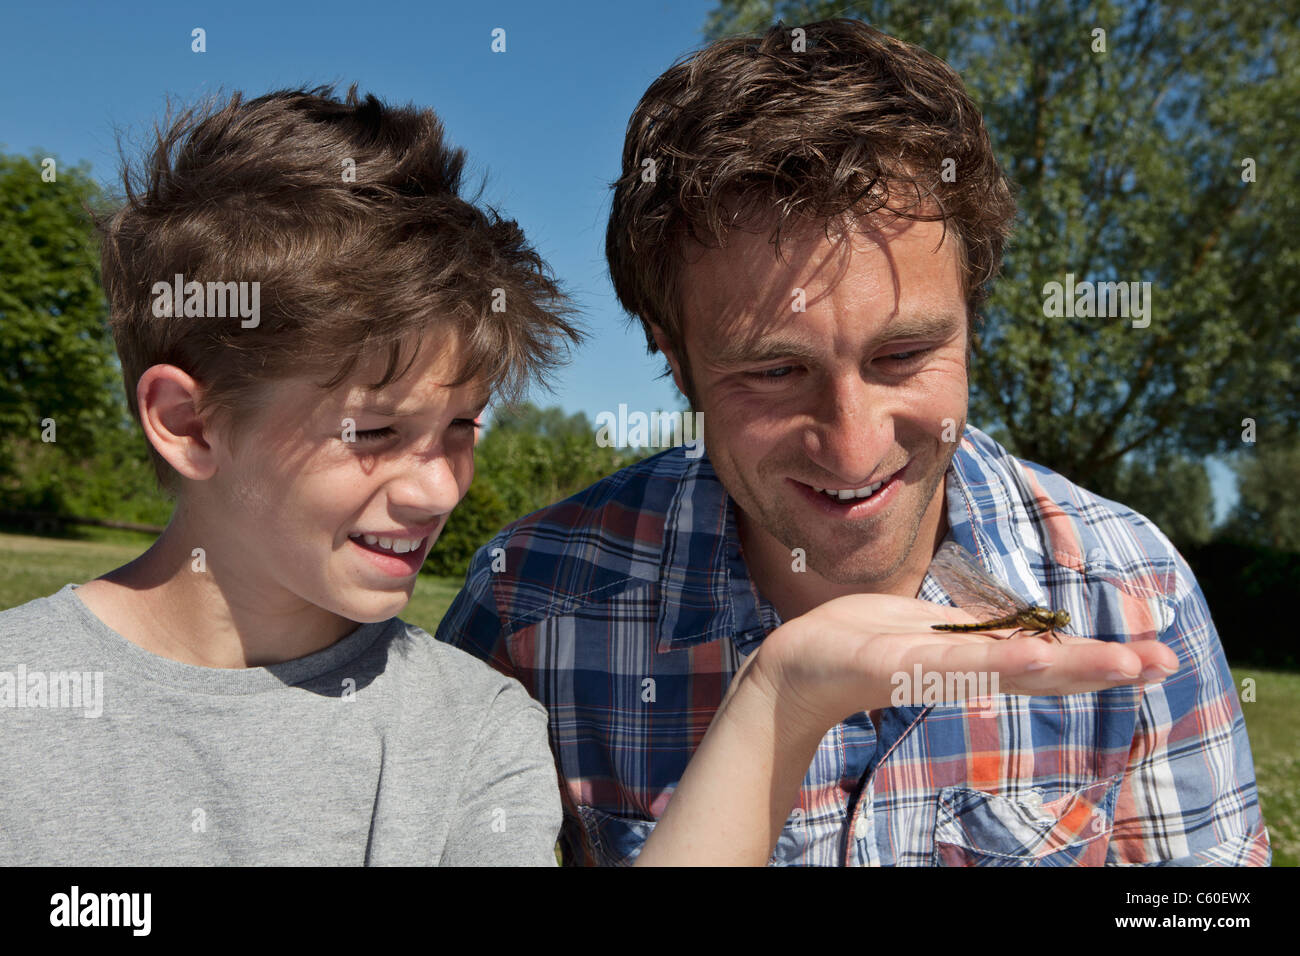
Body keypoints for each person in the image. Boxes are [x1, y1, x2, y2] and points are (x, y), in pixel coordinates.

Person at [435, 20, 1270, 866]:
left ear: (972, 316)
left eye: (903, 355)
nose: (853, 446)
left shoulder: (1133, 592)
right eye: (771, 372)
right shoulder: (527, 612)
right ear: (673, 356)